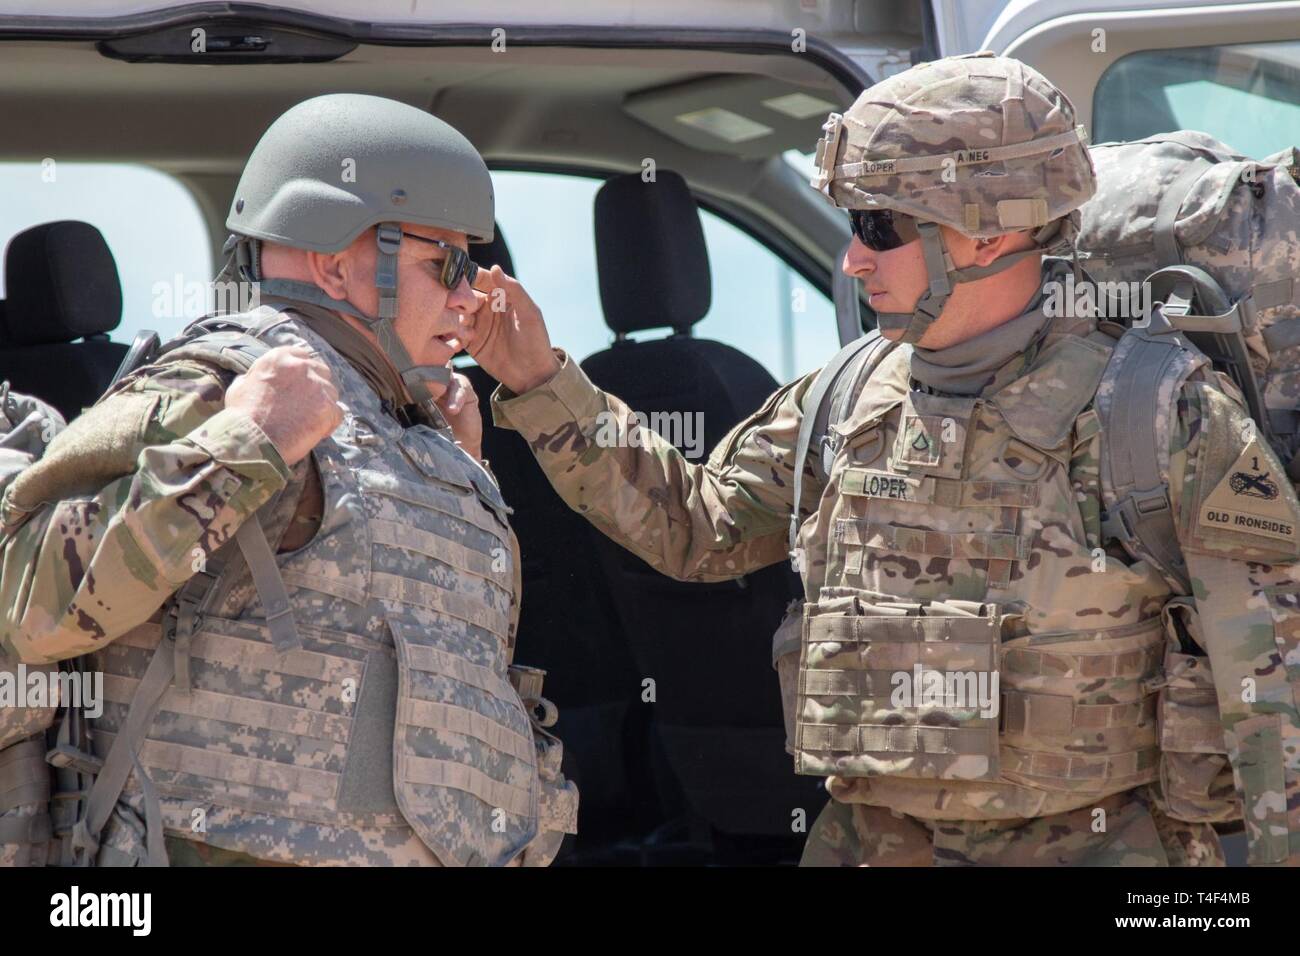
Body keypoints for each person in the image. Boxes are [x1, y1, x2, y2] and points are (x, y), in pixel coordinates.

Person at [465, 52, 1300, 866]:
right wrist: (541, 382)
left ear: (987, 232)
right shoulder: (852, 390)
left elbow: (1276, 694)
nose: (853, 259)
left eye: (880, 227)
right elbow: (698, 526)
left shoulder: (1154, 411)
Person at [0, 92, 576, 867]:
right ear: (338, 263)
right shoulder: (220, 386)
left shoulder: (413, 425)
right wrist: (249, 440)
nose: (469, 299)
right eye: (447, 263)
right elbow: (28, 604)